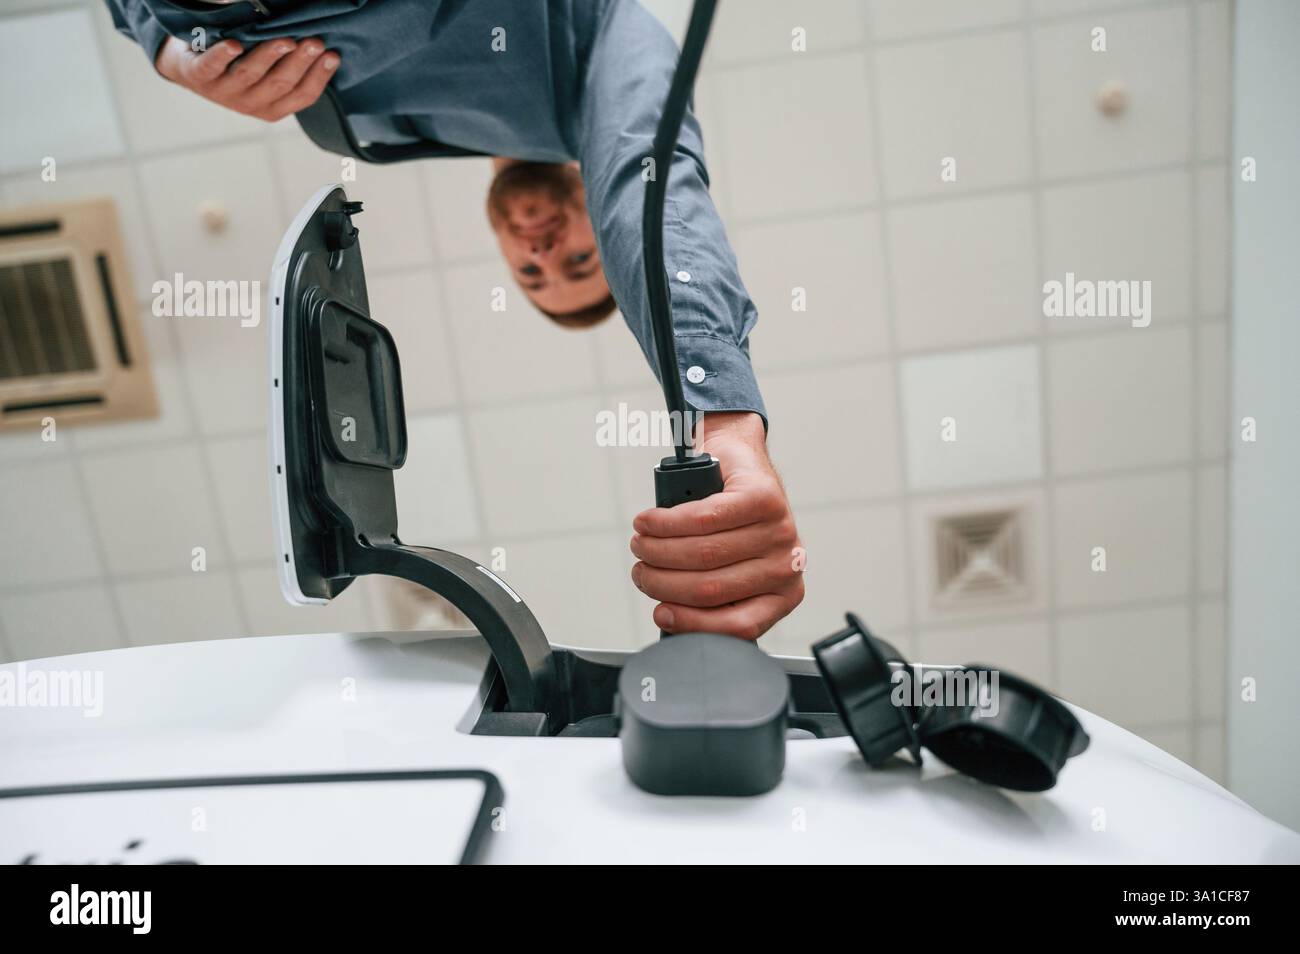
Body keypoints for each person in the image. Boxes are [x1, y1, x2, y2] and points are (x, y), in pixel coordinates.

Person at [106, 0, 805, 640]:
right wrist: (724, 423)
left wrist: (169, 52)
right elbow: (648, 176)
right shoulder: (592, 37)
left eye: (532, 275)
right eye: (582, 261)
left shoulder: (365, 134)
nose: (543, 254)